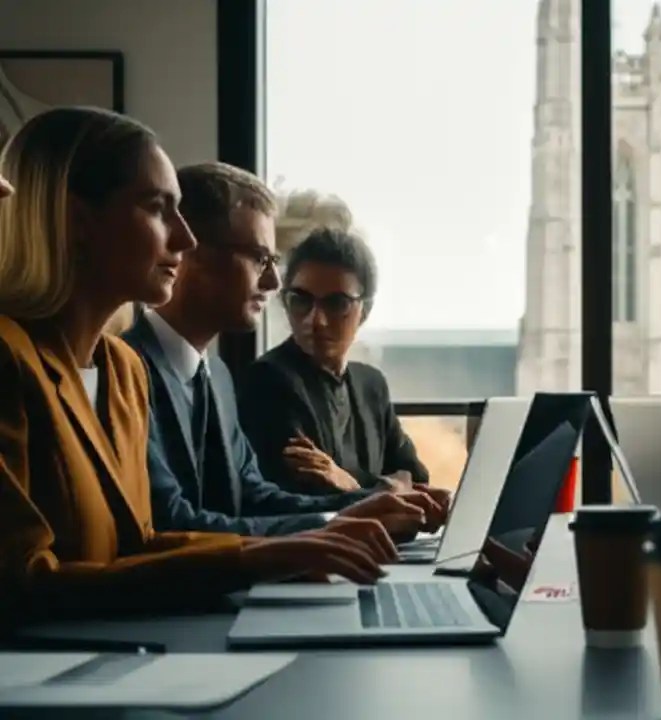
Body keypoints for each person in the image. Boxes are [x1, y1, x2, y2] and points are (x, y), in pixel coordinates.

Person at [0, 108, 390, 626]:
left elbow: (140, 541)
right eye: (158, 209)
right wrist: (261, 558)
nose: (185, 241)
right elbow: (22, 585)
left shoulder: (122, 369)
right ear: (79, 222)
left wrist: (301, 542)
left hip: (128, 643)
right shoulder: (8, 357)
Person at [123, 162, 444, 538]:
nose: (273, 281)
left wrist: (369, 505)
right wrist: (343, 522)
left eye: (273, 262)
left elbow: (254, 497)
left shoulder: (218, 375)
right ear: (192, 254)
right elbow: (173, 524)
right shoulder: (126, 371)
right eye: (259, 258)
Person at [238, 227, 438, 497]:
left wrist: (350, 483)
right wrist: (384, 489)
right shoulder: (267, 381)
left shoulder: (371, 385)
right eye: (301, 300)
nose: (316, 320)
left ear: (364, 311)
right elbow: (308, 493)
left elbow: (416, 477)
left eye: (336, 304)